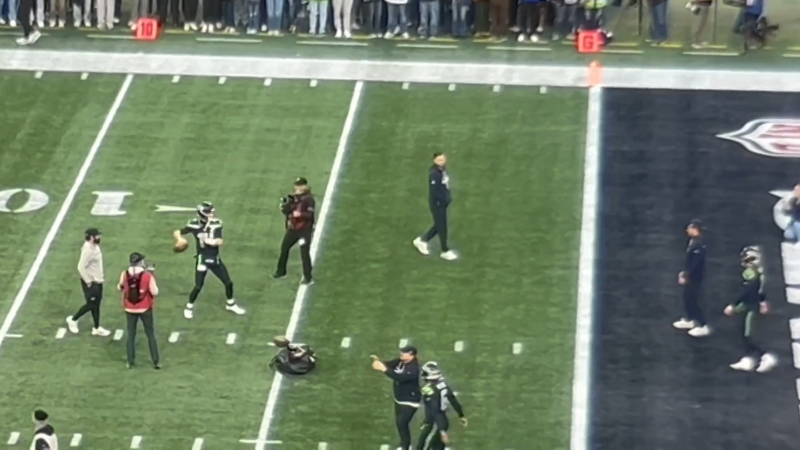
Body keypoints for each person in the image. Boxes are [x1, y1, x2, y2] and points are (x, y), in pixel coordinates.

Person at [173, 202, 245, 319]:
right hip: (202, 258)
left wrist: (209, 241)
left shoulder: (216, 224)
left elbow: (220, 241)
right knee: (198, 286)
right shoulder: (194, 224)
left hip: (214, 257)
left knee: (228, 282)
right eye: (209, 212)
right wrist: (180, 239)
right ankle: (189, 307)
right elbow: (177, 232)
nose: (212, 213)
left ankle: (230, 303)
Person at [725, 246, 778, 372]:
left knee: (748, 334)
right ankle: (749, 359)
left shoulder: (751, 274)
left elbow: (748, 292)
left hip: (750, 306)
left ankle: (765, 355)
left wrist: (734, 304)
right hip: (748, 306)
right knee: (744, 334)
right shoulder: (753, 274)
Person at [370, 346, 421, 450]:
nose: (401, 354)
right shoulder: (400, 361)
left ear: (411, 355)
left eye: (404, 353)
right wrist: (378, 361)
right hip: (399, 399)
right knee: (399, 423)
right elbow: (389, 364)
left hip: (410, 401)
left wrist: (383, 369)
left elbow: (400, 377)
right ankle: (403, 444)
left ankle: (405, 446)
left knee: (402, 423)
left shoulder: (413, 368)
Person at [119, 252, 161, 370]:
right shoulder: (147, 276)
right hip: (145, 308)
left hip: (129, 308)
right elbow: (155, 292)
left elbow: (120, 286)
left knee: (131, 335)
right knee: (150, 334)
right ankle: (155, 361)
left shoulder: (124, 274)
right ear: (140, 262)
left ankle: (130, 361)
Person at [67, 228, 111, 337]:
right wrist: (88, 281)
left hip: (98, 280)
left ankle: (96, 328)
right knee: (91, 304)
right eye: (97, 236)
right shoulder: (88, 250)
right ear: (91, 237)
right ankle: (73, 320)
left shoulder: (95, 247)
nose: (99, 238)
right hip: (92, 282)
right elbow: (80, 267)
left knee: (96, 305)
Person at [413, 153, 457, 261]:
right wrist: (443, 200)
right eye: (439, 160)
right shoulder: (434, 174)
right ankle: (444, 250)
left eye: (443, 159)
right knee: (442, 228)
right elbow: (435, 191)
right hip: (437, 204)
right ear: (434, 161)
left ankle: (422, 241)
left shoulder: (442, 170)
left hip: (443, 203)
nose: (441, 161)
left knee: (439, 226)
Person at [273, 178, 316, 285]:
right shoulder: (293, 198)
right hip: (293, 229)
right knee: (284, 248)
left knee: (304, 252)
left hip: (304, 231)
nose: (298, 187)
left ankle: (308, 277)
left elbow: (310, 215)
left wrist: (299, 214)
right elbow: (288, 212)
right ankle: (281, 271)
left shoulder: (309, 199)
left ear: (305, 186)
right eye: (297, 185)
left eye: (300, 185)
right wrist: (284, 207)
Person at [416, 362, 467, 450]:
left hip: (435, 424)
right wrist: (461, 415)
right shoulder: (443, 385)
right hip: (443, 421)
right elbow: (453, 400)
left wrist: (441, 430)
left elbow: (434, 409)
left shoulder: (428, 389)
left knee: (422, 447)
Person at [673, 219, 710, 337]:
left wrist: (687, 274)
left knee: (694, 300)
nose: (687, 230)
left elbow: (696, 263)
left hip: (696, 277)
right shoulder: (693, 242)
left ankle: (703, 324)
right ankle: (690, 319)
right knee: (687, 298)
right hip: (690, 275)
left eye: (690, 228)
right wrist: (683, 272)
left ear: (695, 230)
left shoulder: (700, 244)